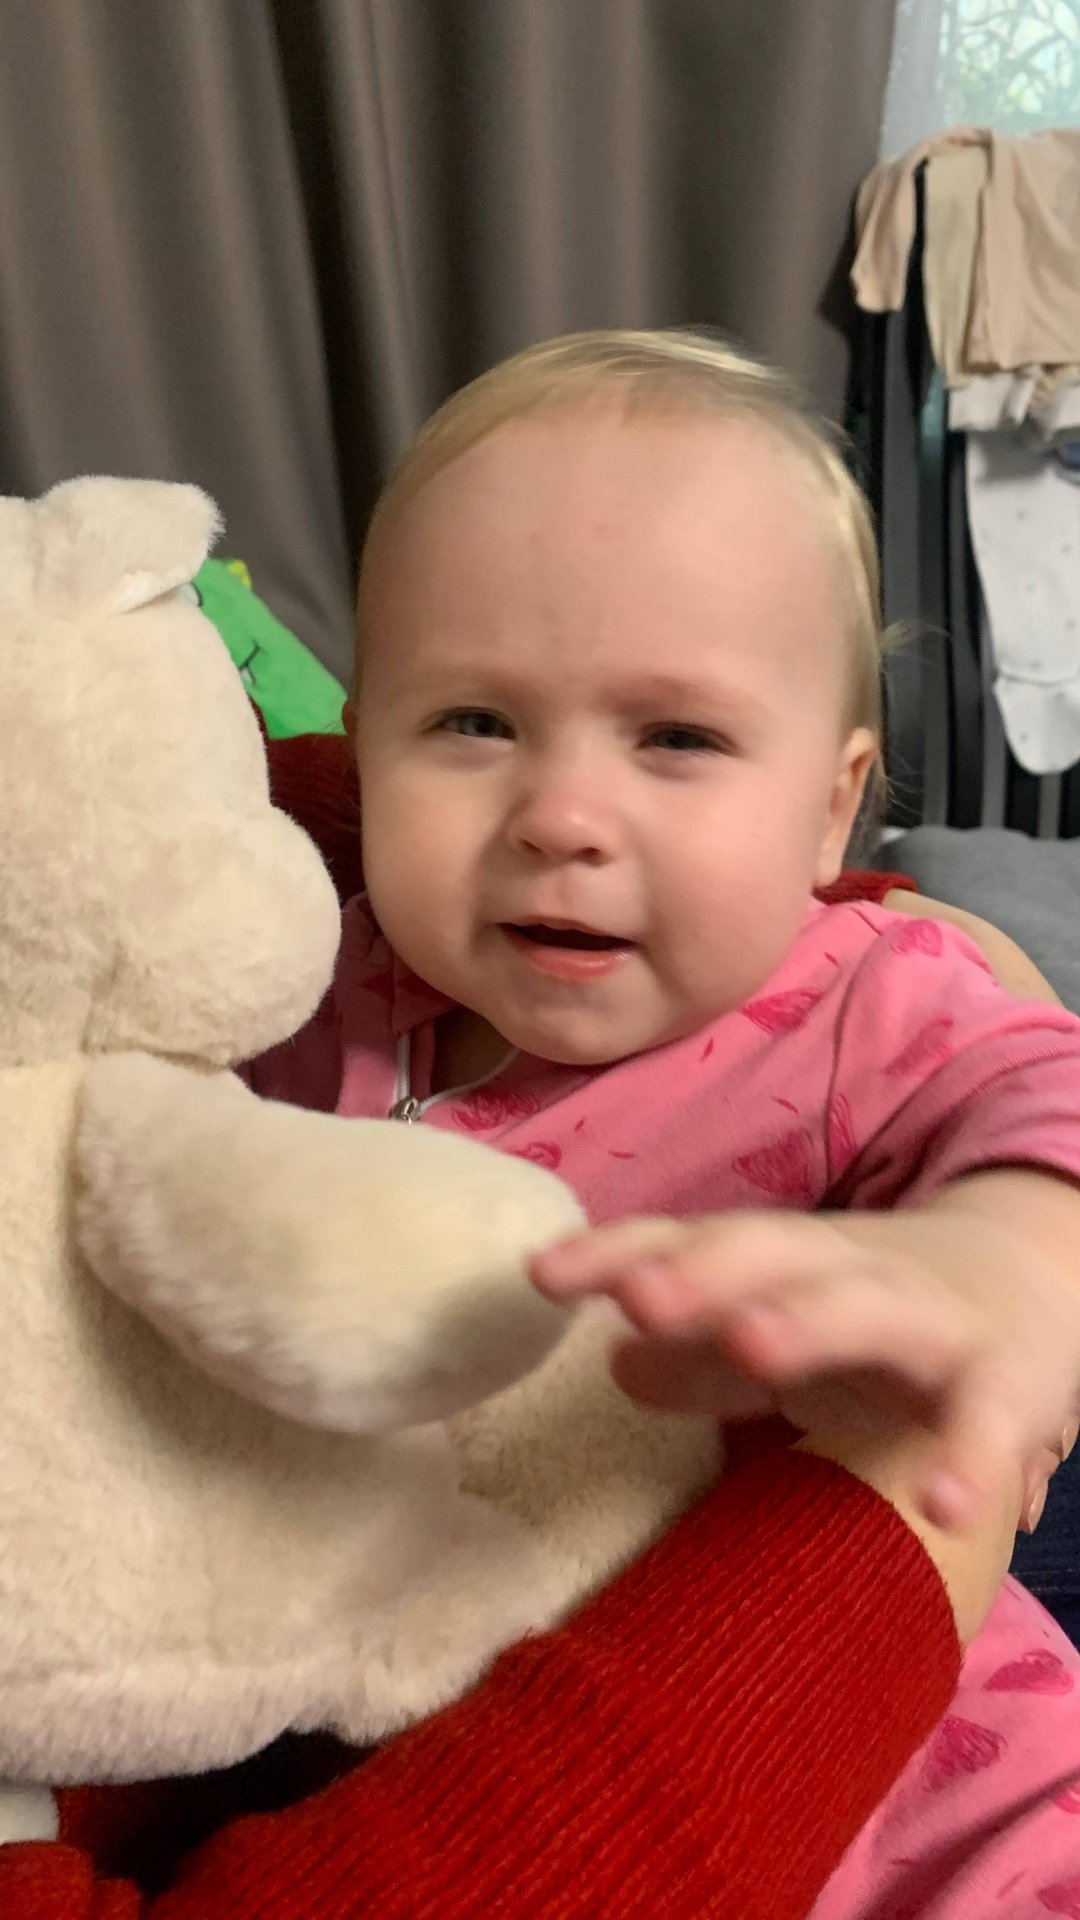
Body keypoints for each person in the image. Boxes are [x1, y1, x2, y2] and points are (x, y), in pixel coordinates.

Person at [9, 328, 1080, 1916]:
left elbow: (1041, 1095)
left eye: (678, 739)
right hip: (408, 1745)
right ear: (363, 741)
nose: (562, 817)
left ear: (832, 807)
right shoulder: (301, 975)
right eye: (473, 724)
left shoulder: (863, 997)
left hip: (904, 1775)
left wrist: (1000, 1267)